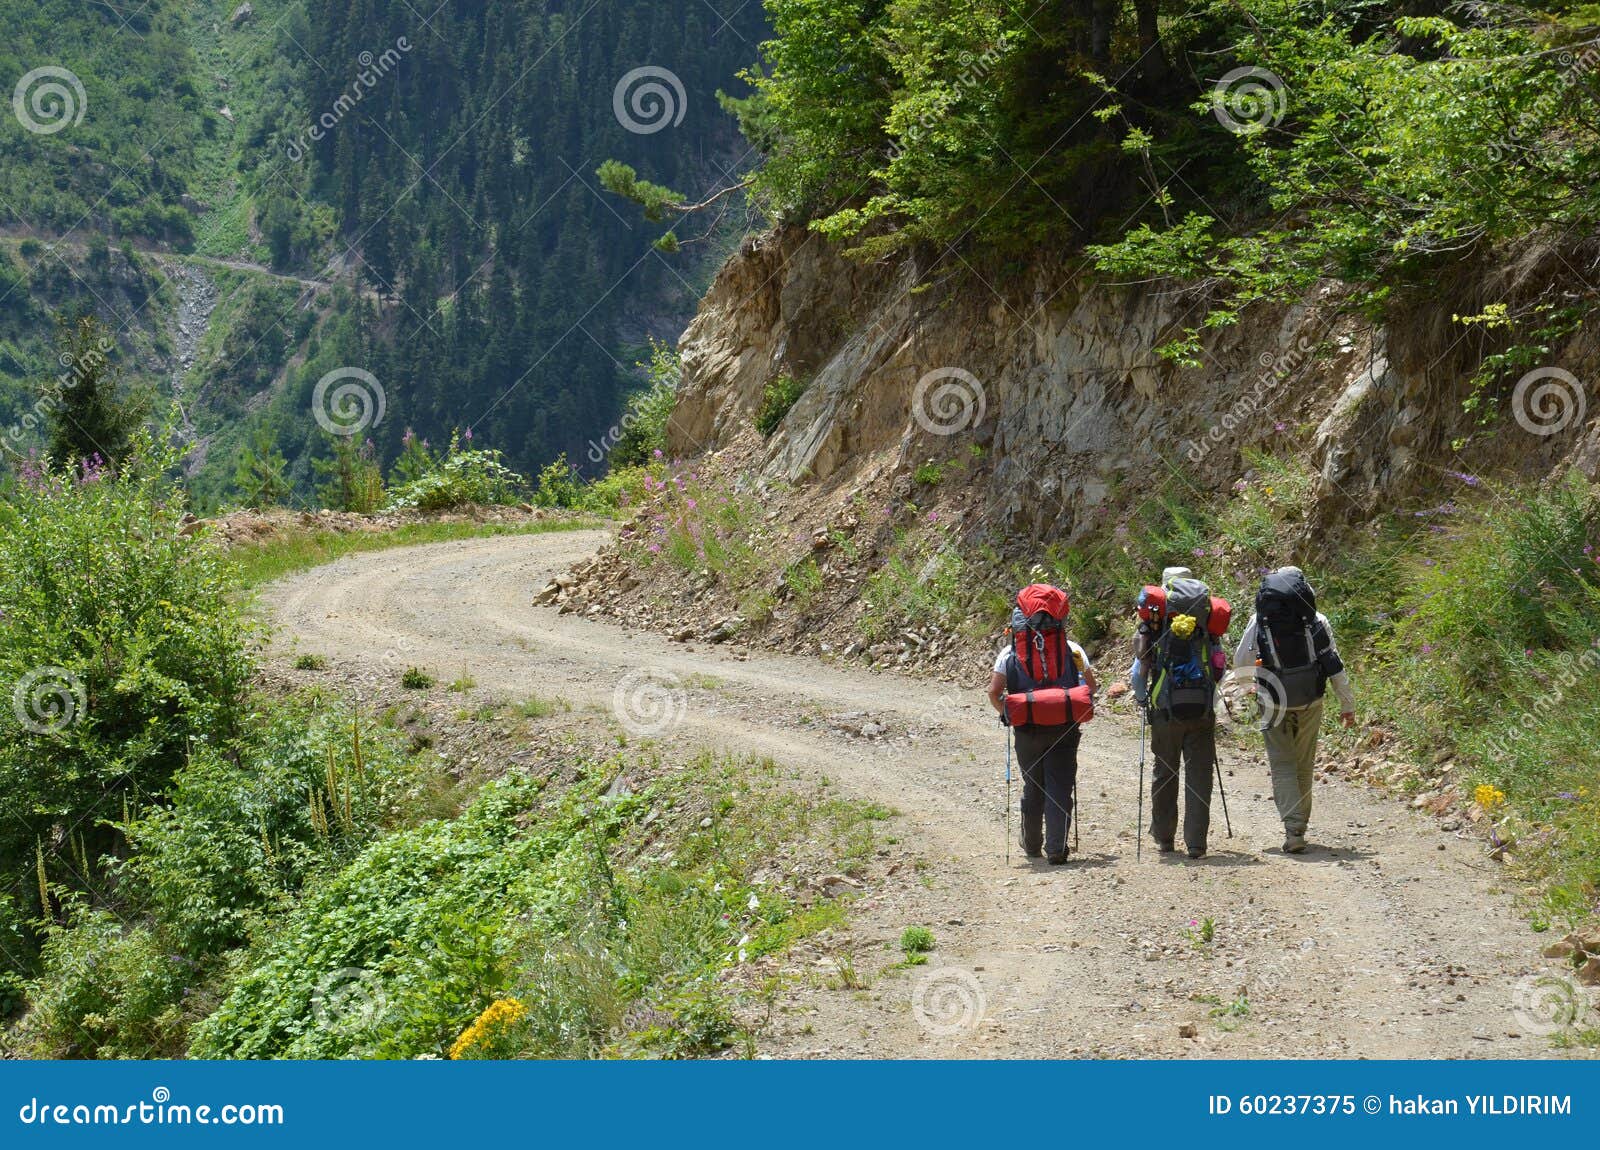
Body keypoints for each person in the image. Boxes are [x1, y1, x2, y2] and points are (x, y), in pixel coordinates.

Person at [1230, 566, 1356, 854]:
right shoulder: (1317, 620)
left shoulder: (1260, 620)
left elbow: (1241, 660)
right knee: (1303, 764)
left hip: (1273, 700)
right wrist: (1347, 704)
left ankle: (1293, 829)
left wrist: (1250, 684)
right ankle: (1300, 827)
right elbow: (1334, 665)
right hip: (1311, 700)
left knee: (1282, 764)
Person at [987, 584, 1097, 865]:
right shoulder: (1072, 649)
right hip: (1065, 729)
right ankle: (1057, 848)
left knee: (1033, 784)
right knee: (1060, 783)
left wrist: (1008, 714)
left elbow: (993, 691)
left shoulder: (1009, 653)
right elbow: (1092, 687)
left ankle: (1032, 845)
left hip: (1028, 729)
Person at [1131, 568, 1229, 859]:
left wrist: (1141, 698)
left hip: (1165, 706)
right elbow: (1220, 665)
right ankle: (1196, 843)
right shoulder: (1207, 619)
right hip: (1201, 707)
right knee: (1199, 773)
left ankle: (1164, 838)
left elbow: (1140, 671)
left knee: (1165, 770)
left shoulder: (1154, 620)